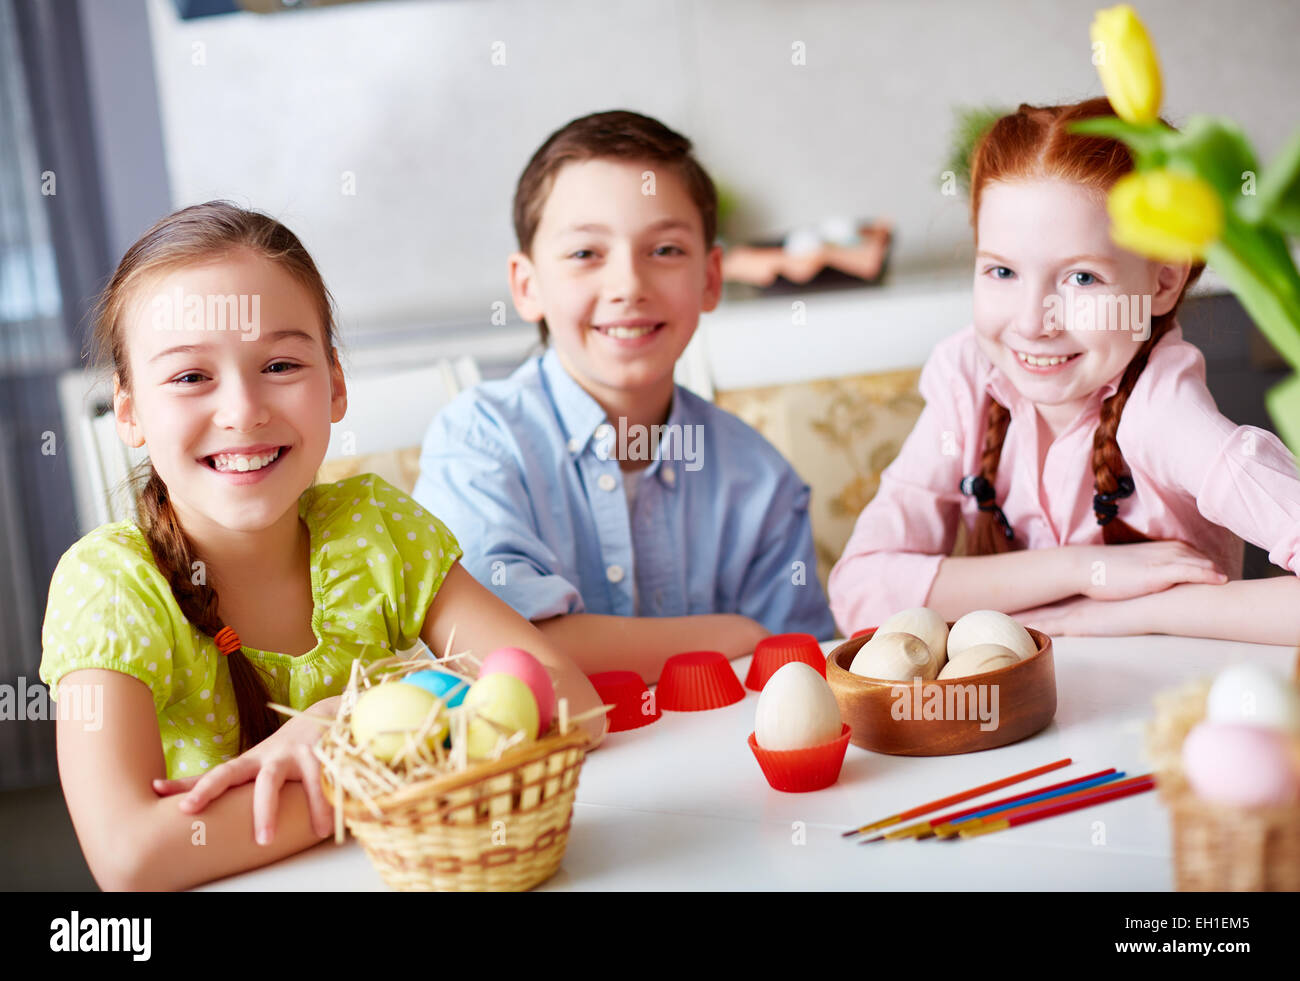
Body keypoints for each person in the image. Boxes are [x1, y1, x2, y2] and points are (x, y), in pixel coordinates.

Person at [39, 202, 603, 891]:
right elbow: (130, 856)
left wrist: (350, 722)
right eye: (190, 376)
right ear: (128, 410)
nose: (243, 409)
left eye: (279, 364)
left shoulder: (375, 528)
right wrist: (356, 764)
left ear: (335, 384)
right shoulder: (110, 586)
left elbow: (569, 697)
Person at [829, 99, 1300, 644]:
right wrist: (1077, 570)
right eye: (1002, 270)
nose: (1033, 323)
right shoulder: (967, 380)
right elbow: (857, 591)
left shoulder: (1161, 413)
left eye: (1081, 279)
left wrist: (1124, 613)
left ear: (1164, 282)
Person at [415, 110, 835, 682]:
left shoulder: (760, 481)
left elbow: (795, 678)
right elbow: (499, 650)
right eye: (586, 254)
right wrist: (735, 635)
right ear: (527, 285)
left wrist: (760, 647)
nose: (629, 286)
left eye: (664, 251)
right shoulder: (479, 441)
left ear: (711, 279)